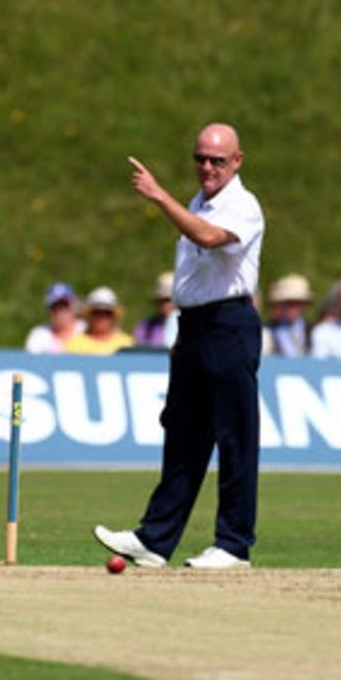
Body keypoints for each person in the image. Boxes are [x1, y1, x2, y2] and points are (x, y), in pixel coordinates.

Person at [94, 122, 264, 570]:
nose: (206, 168)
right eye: (200, 159)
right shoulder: (199, 202)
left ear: (237, 161)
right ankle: (155, 539)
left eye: (217, 161)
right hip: (195, 327)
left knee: (234, 438)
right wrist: (182, 337)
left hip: (229, 324)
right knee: (183, 434)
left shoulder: (243, 206)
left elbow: (207, 237)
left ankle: (233, 545)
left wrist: (158, 196)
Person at [63, 286, 134, 355]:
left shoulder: (127, 344)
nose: (102, 317)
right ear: (89, 315)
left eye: (107, 313)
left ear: (114, 316)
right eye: (97, 312)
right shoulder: (74, 346)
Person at [25, 282, 85, 354]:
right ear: (48, 310)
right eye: (55, 307)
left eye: (64, 306)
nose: (60, 312)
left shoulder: (86, 330)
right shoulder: (39, 335)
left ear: (73, 307)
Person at [262, 273, 312, 357]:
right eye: (288, 303)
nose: (292, 308)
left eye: (297, 303)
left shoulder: (312, 331)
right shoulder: (266, 333)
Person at [133, 271, 179, 349]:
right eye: (162, 300)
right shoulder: (146, 326)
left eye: (169, 300)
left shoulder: (190, 325)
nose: (165, 305)